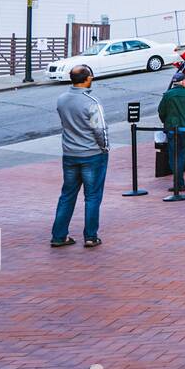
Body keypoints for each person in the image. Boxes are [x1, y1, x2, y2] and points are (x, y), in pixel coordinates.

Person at [51, 64, 109, 248]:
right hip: (91, 154)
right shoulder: (91, 102)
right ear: (88, 78)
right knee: (92, 196)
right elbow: (99, 129)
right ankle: (91, 236)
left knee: (67, 195)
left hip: (69, 153)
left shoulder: (62, 99)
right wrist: (105, 148)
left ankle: (59, 235)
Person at [157, 72, 185, 198]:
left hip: (171, 129)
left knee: (173, 156)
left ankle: (179, 183)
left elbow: (161, 112)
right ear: (181, 82)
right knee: (181, 155)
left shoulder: (167, 95)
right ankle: (179, 183)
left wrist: (167, 121)